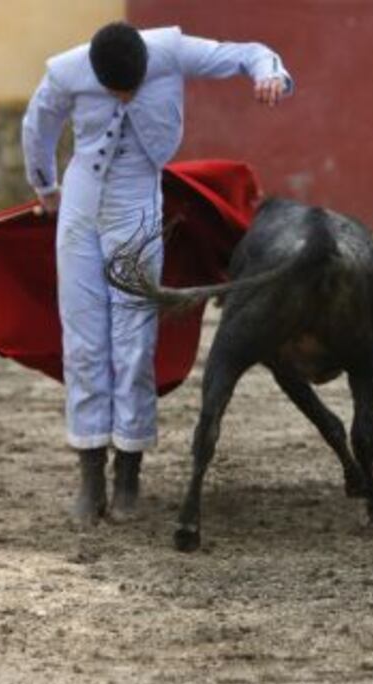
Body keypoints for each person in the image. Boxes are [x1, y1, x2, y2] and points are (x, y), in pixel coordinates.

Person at [21, 22, 293, 526]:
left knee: (134, 338)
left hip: (137, 202)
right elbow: (37, 127)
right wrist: (47, 190)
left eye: (132, 86)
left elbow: (246, 51)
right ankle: (89, 473)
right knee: (82, 338)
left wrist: (268, 73)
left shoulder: (169, 51)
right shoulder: (66, 71)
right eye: (115, 90)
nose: (124, 95)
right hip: (81, 208)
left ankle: (128, 470)